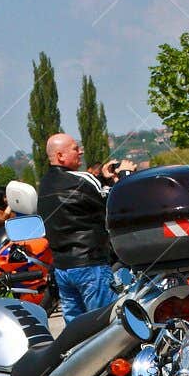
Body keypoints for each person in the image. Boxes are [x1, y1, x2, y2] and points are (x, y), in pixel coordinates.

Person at [37, 132, 129, 322]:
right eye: (75, 148)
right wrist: (122, 175)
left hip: (63, 268)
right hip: (90, 263)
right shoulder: (82, 179)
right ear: (60, 155)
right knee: (106, 324)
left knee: (75, 330)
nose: (81, 151)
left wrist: (103, 179)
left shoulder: (44, 184)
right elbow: (111, 204)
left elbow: (85, 202)